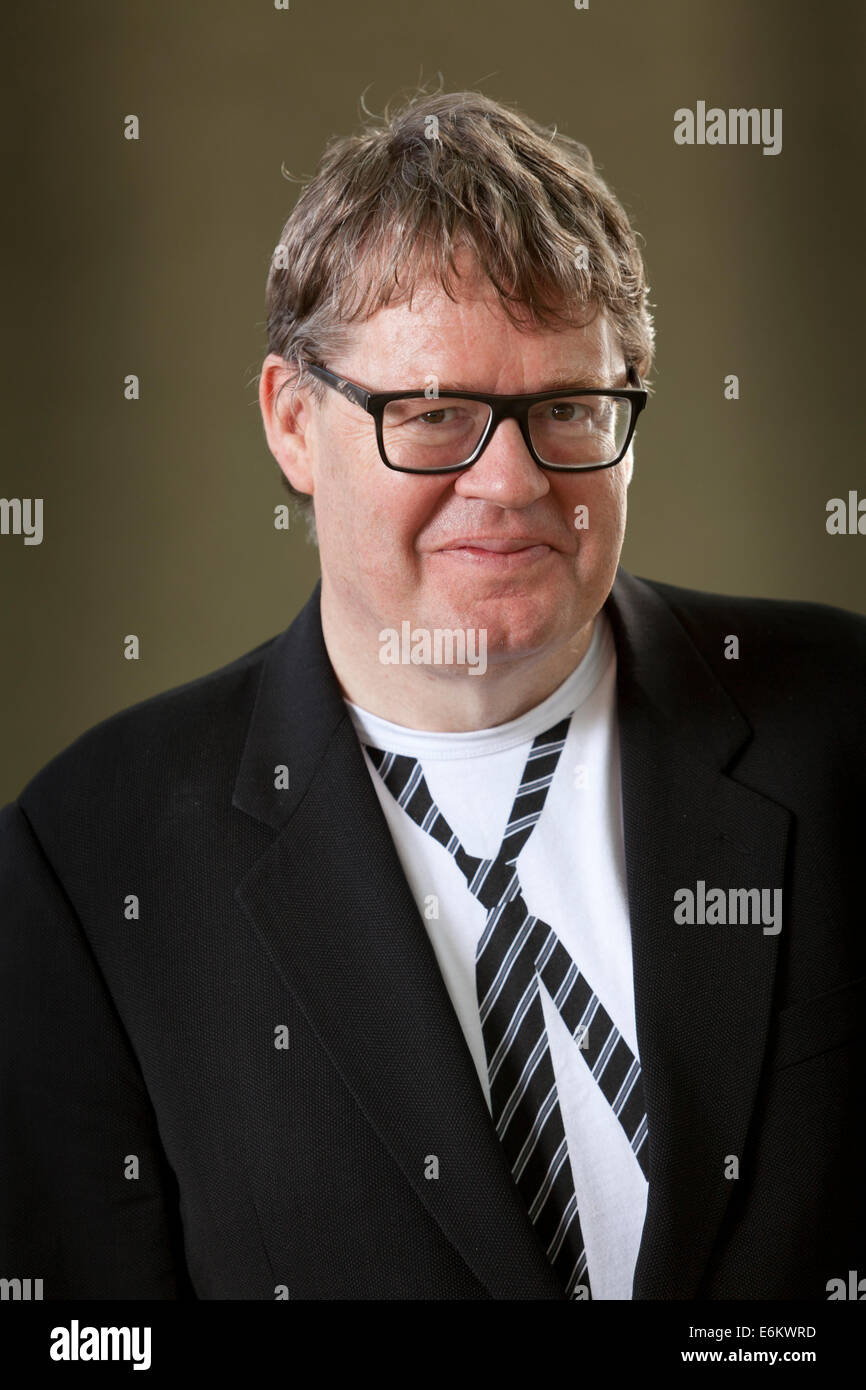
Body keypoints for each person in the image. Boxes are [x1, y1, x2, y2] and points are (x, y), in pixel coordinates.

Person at [1, 89, 864, 1302]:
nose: (508, 480)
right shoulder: (87, 860)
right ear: (294, 424)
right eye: (434, 414)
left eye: (567, 407)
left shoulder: (840, 722)